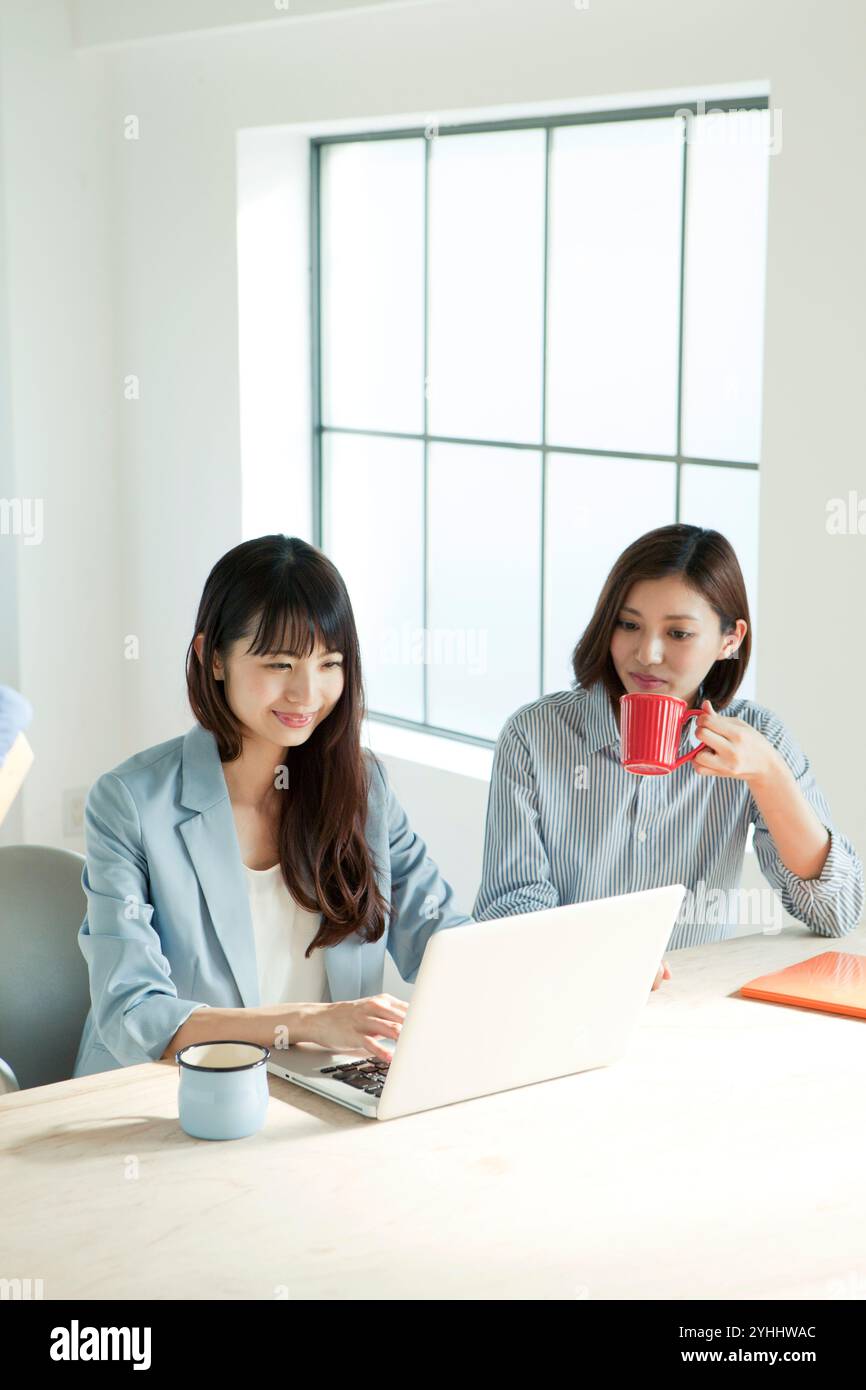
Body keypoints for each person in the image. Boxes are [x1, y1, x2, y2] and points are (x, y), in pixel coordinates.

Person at [73, 535, 472, 1077]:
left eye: (329, 663)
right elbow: (134, 1015)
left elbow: (446, 943)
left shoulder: (364, 788)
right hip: (169, 1098)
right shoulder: (131, 803)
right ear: (212, 658)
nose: (307, 693)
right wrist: (312, 1021)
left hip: (324, 1098)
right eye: (280, 664)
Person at [473, 524, 863, 968]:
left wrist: (769, 777)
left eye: (678, 634)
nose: (647, 653)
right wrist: (601, 957)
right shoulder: (534, 734)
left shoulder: (759, 738)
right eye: (628, 624)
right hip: (562, 1001)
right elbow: (509, 909)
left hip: (694, 1011)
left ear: (729, 639)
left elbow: (837, 912)